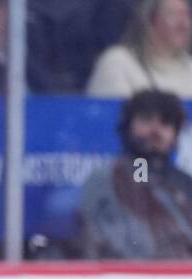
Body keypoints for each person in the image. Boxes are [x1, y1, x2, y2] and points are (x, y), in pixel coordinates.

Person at [77, 88, 192, 259]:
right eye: (146, 120)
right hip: (126, 278)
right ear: (128, 126)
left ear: (175, 134)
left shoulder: (183, 182)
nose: (155, 130)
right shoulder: (111, 177)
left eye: (165, 123)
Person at [87, 0, 192, 97]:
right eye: (173, 14)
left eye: (186, 15)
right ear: (149, 21)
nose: (183, 24)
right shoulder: (118, 63)